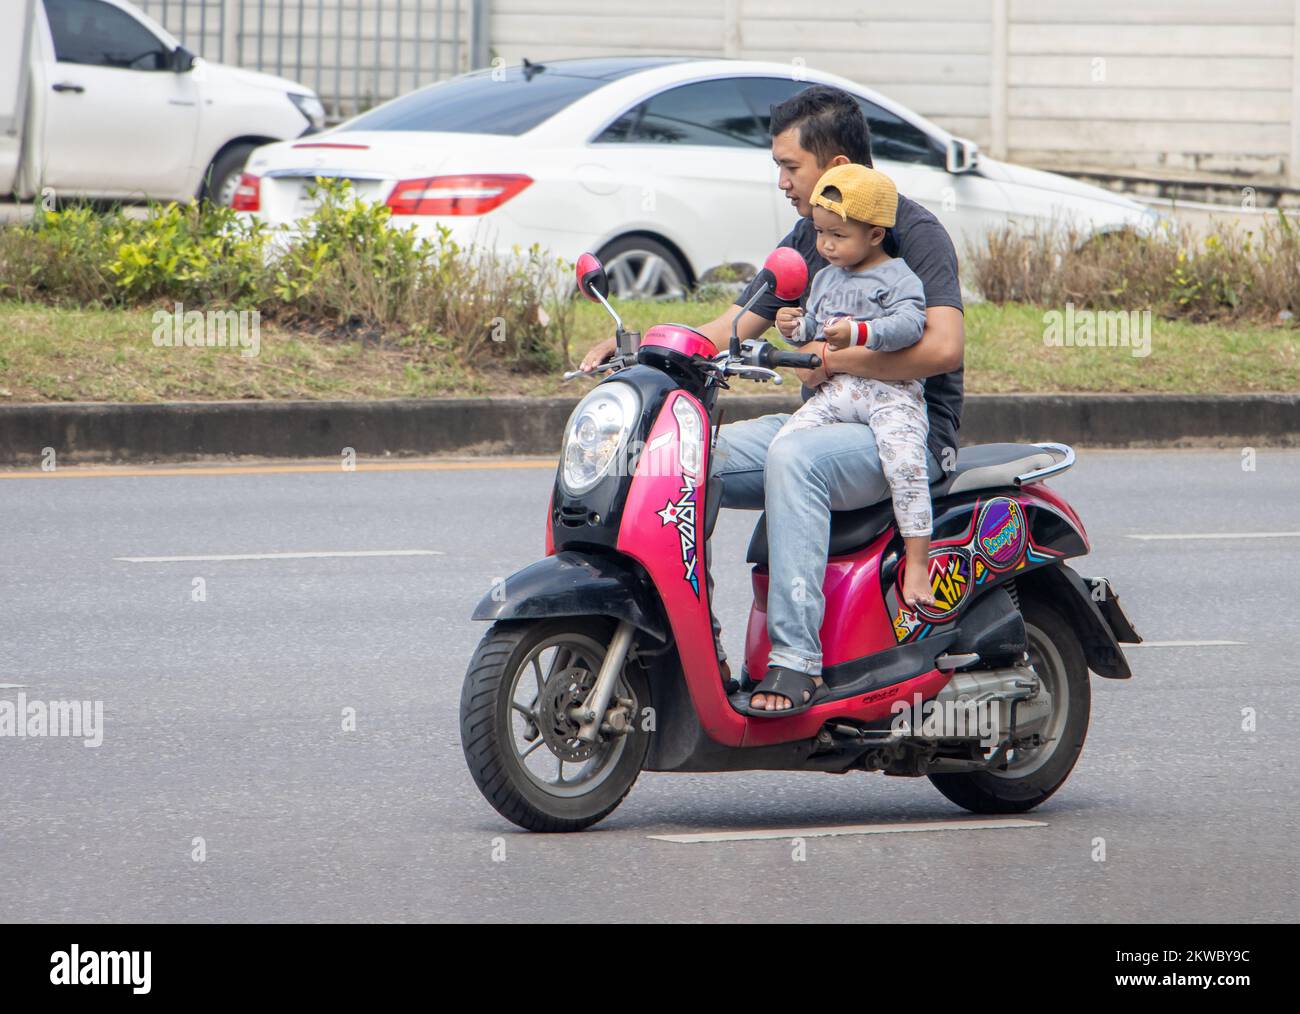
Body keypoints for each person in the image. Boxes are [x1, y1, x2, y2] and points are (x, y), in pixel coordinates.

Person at [579, 85, 965, 716]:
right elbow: (735, 324)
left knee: (797, 461)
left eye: (790, 167)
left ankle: (795, 663)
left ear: (835, 168)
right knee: (689, 459)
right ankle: (683, 640)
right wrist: (643, 346)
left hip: (906, 433)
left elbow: (943, 346)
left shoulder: (911, 232)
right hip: (830, 415)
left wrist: (834, 358)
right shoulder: (811, 234)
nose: (782, 182)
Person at [770, 162, 937, 616]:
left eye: (837, 235)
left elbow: (910, 325)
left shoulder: (898, 276)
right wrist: (794, 325)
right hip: (837, 394)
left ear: (876, 234)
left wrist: (860, 333)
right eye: (821, 233)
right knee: (785, 451)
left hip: (892, 394)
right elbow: (813, 325)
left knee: (904, 463)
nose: (825, 244)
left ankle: (918, 561)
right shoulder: (824, 278)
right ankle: (804, 556)